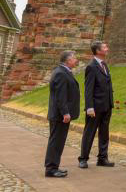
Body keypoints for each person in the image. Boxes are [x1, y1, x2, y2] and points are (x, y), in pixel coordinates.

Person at [78, 41, 115, 168]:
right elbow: (88, 89)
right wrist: (89, 107)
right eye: (105, 47)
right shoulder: (91, 67)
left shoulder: (104, 64)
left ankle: (102, 158)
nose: (107, 48)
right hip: (95, 107)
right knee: (89, 133)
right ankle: (83, 159)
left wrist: (110, 102)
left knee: (104, 133)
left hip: (107, 105)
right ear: (98, 51)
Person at [45, 50, 80, 178]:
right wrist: (65, 113)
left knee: (58, 142)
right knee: (56, 142)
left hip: (60, 115)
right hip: (60, 115)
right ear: (67, 60)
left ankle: (54, 167)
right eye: (74, 58)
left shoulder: (64, 72)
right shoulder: (61, 73)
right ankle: (51, 169)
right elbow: (60, 96)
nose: (76, 60)